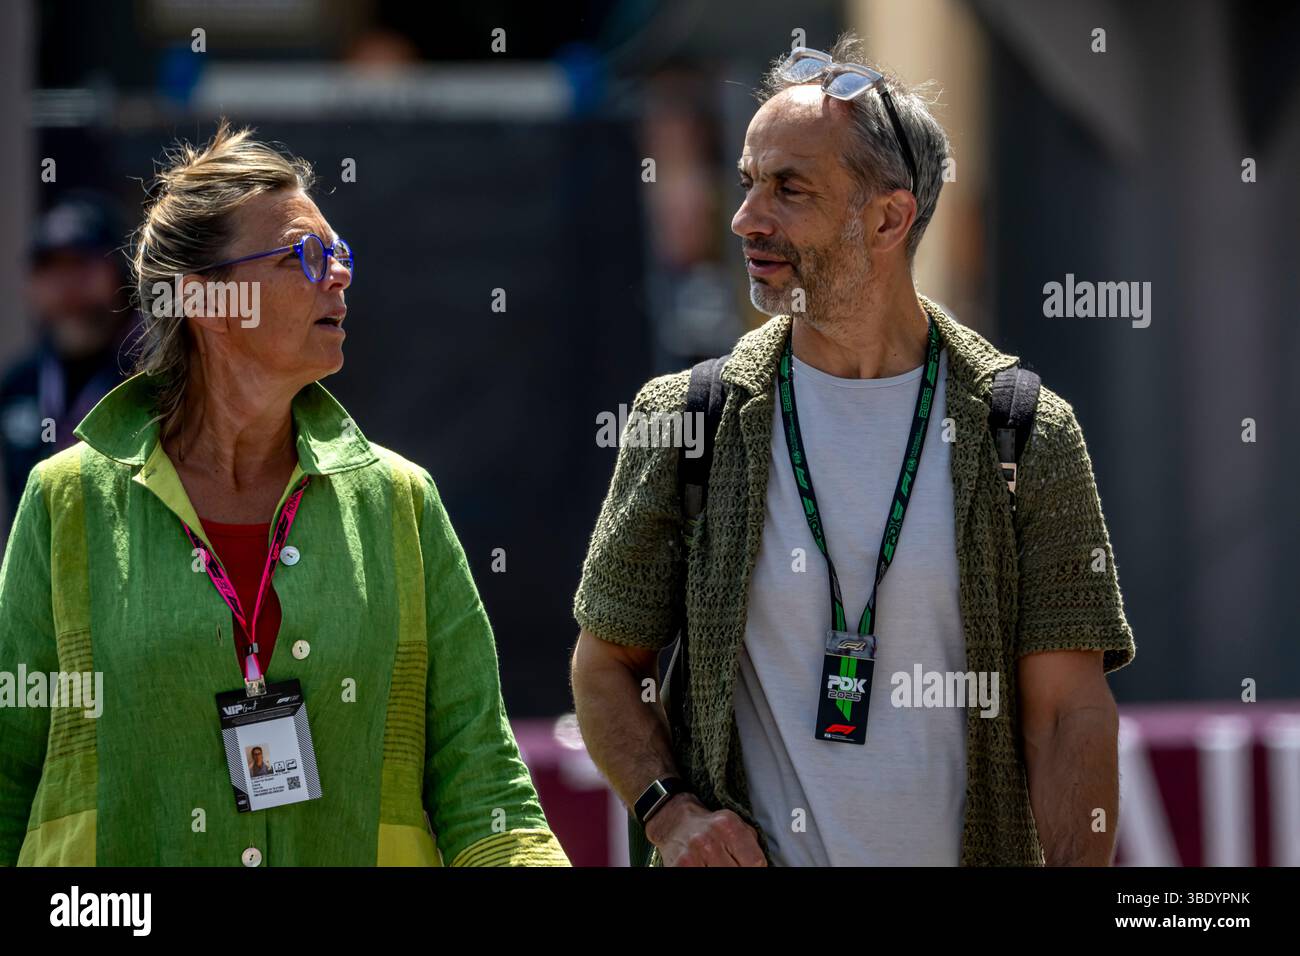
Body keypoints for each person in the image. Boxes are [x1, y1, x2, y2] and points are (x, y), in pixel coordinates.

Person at [570, 34, 1136, 867]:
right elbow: (603, 667)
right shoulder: (688, 418)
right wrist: (670, 813)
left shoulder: (1024, 429)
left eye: (787, 189)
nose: (745, 218)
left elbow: (1067, 715)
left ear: (888, 217)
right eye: (747, 183)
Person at [0, 121, 569, 867]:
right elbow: (9, 772)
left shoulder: (401, 502)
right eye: (304, 254)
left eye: (339, 253)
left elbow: (482, 776)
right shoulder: (65, 499)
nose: (338, 274)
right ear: (204, 300)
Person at [0, 192, 136, 529]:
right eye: (51, 268)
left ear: (121, 274)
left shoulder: (156, 378)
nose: (67, 286)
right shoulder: (20, 382)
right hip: (40, 572)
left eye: (81, 265)